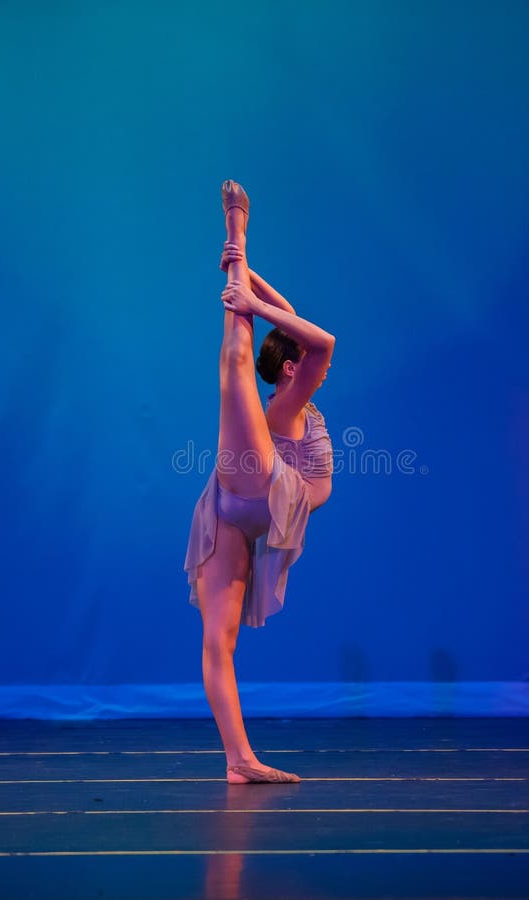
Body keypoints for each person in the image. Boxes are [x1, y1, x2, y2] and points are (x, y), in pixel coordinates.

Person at [184, 181, 336, 784]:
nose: (321, 370)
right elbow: (320, 338)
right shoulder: (296, 390)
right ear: (294, 369)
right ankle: (238, 760)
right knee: (235, 363)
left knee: (243, 351)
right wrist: (242, 291)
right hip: (256, 494)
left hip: (254, 507)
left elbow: (294, 320)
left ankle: (237, 247)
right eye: (302, 359)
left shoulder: (295, 390)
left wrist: (246, 280)